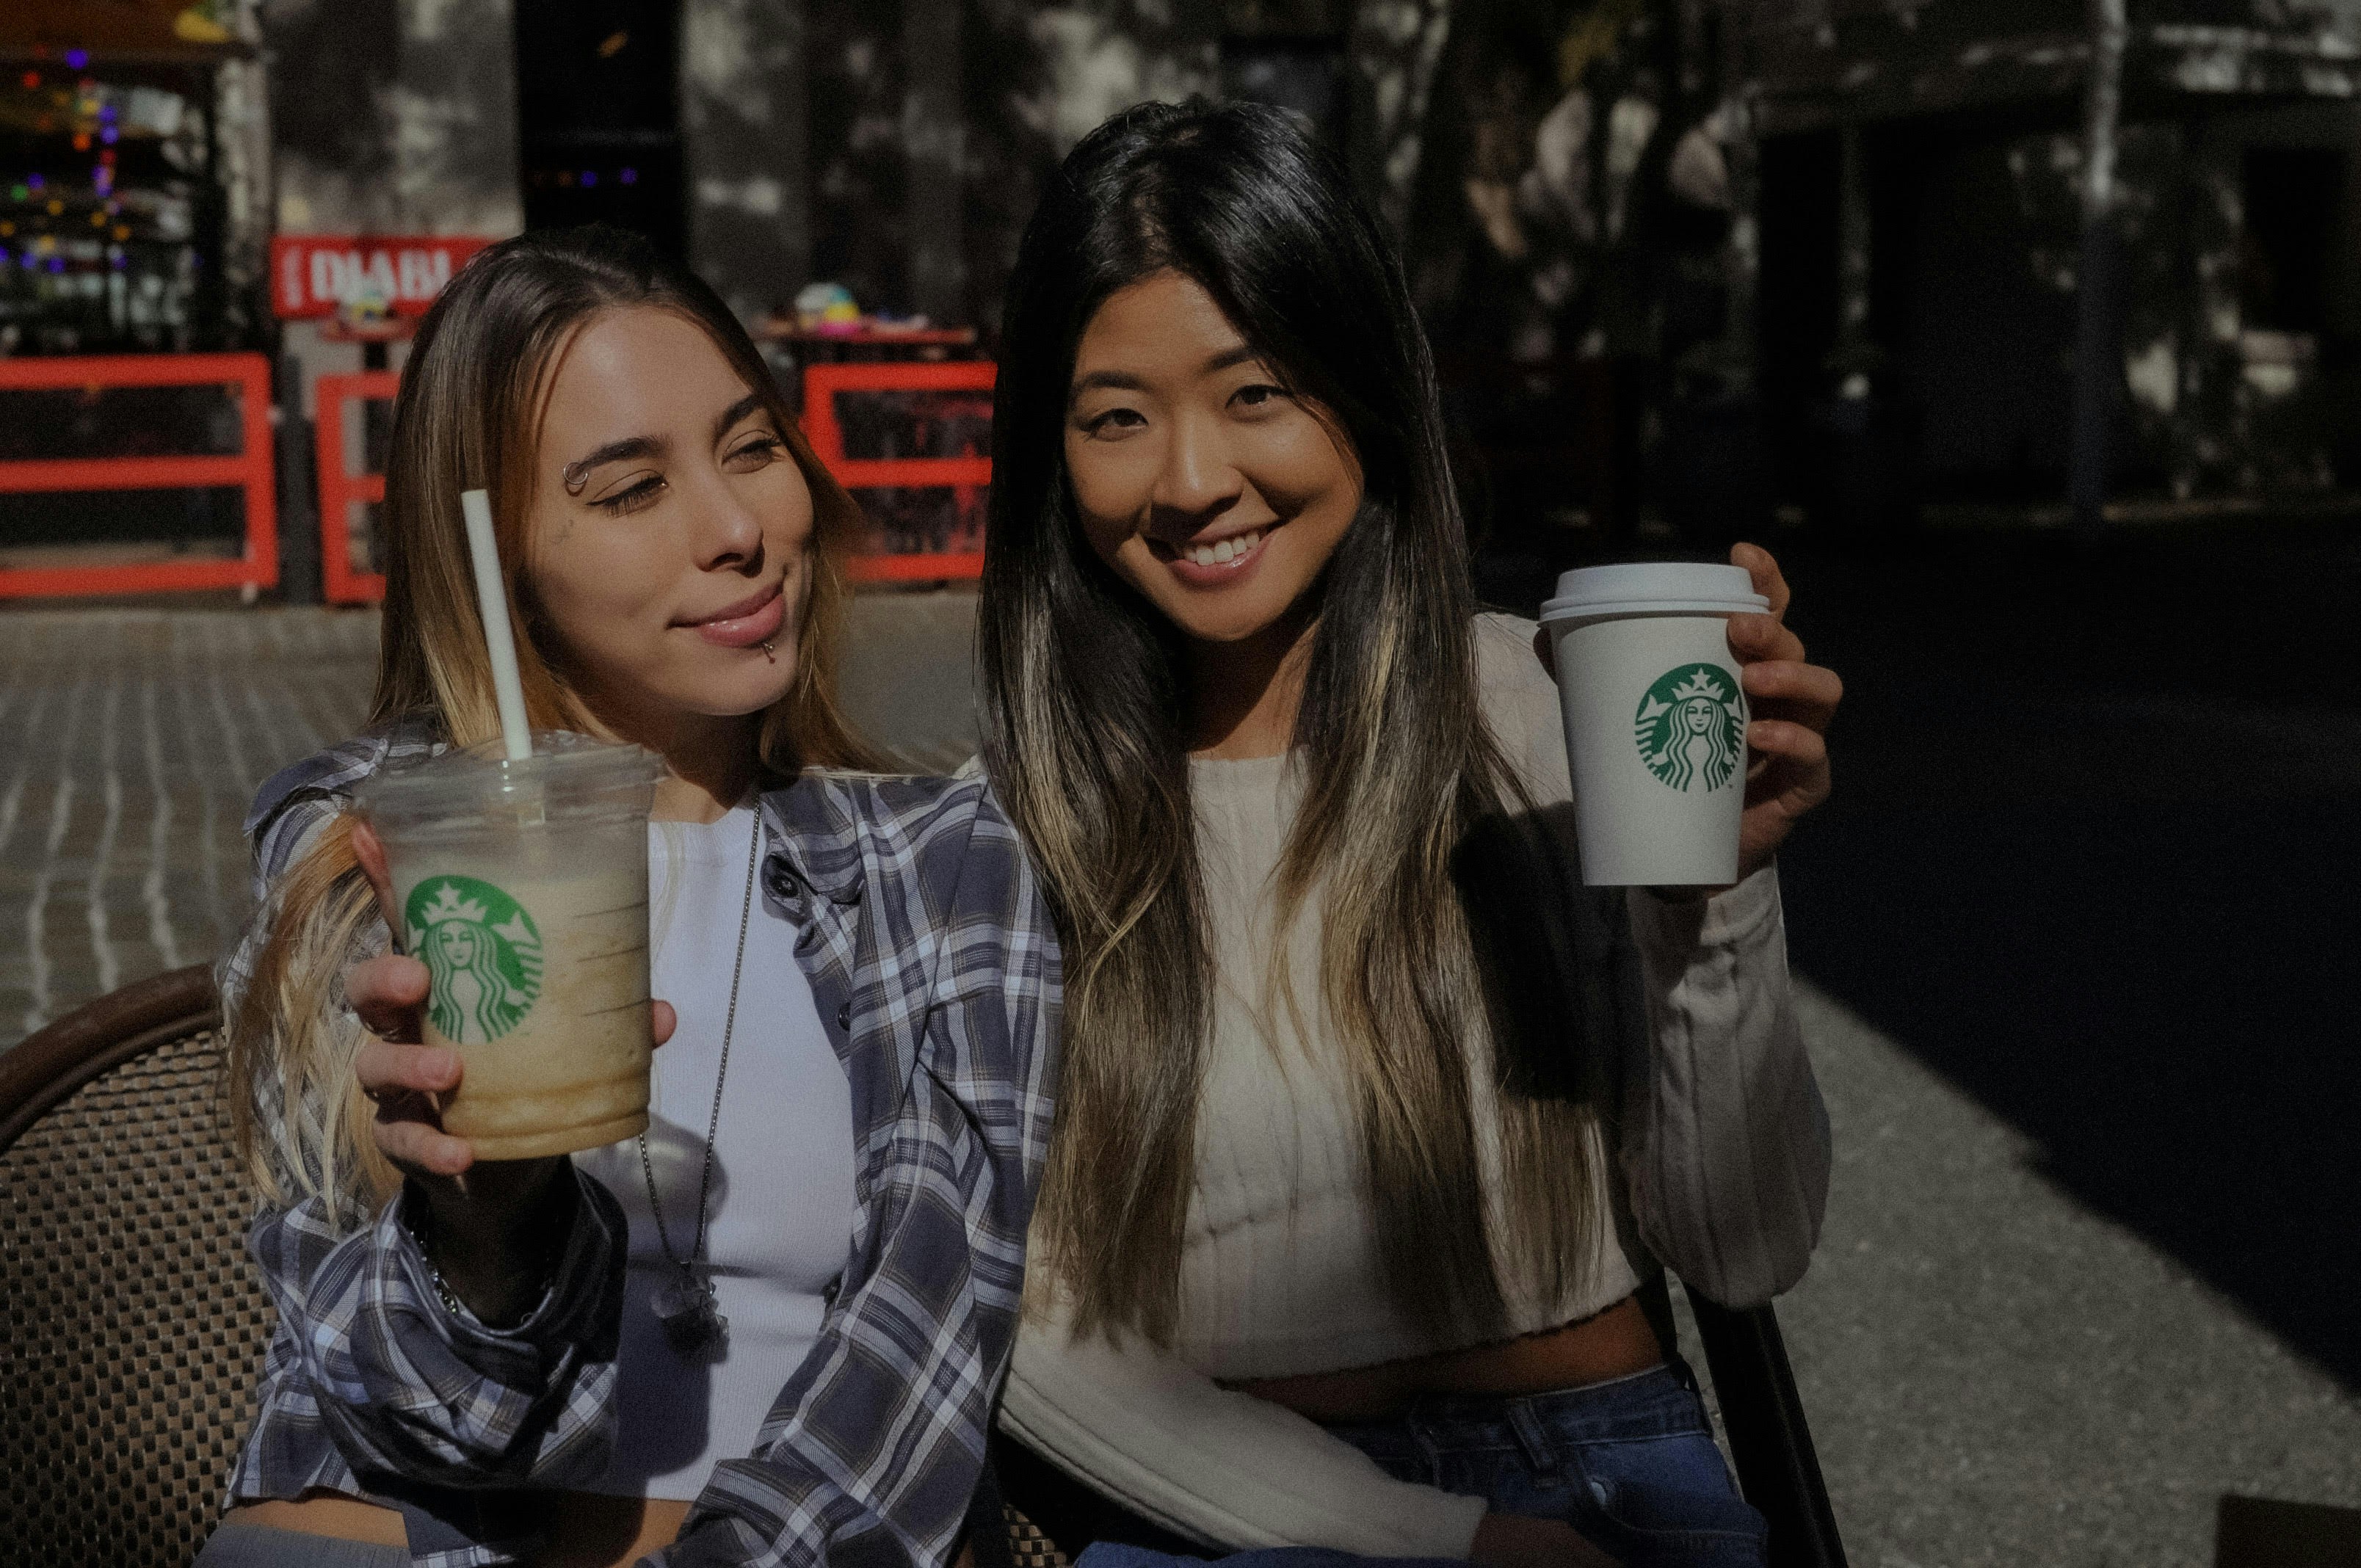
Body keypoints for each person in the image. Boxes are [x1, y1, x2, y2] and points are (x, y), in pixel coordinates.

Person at [975, 102, 1839, 1568]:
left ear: (1366, 394)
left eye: (1255, 394)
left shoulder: (1551, 705)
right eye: (1116, 417)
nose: (1189, 481)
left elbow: (1746, 1249)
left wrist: (1720, 903)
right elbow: (1024, 1341)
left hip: (1614, 1468)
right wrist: (1446, 1541)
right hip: (1215, 1515)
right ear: (1054, 452)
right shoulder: (1012, 815)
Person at [201, 226, 1058, 1568]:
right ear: (495, 556)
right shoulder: (370, 851)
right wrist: (487, 1234)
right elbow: (397, 1404)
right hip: (379, 1540)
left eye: (753, 447)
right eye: (627, 489)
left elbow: (924, 1360)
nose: (738, 531)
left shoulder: (941, 868)